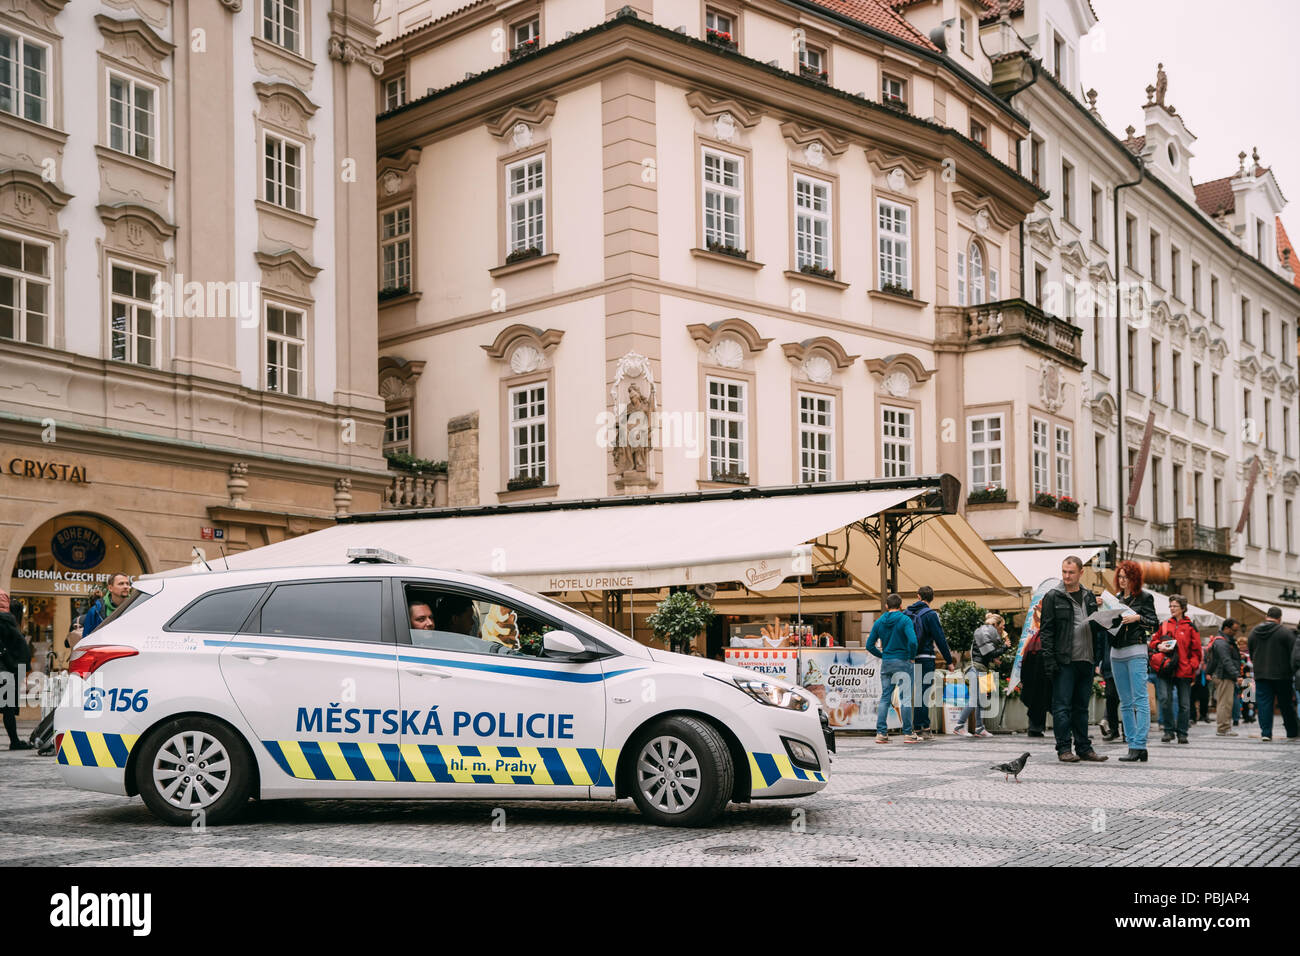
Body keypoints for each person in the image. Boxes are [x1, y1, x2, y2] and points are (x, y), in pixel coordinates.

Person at [1039, 556, 1108, 762]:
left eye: (1071, 572)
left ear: (1080, 573)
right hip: (1064, 660)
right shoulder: (1053, 596)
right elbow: (1046, 631)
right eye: (1064, 572)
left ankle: (1084, 748)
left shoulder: (1088, 596)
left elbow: (1095, 627)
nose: (1067, 576)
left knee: (1081, 707)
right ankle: (1063, 749)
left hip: (1086, 660)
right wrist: (1050, 661)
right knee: (1062, 707)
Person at [1109, 561, 1158, 763]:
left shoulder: (1145, 597)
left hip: (1136, 649)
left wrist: (1137, 618)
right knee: (1126, 702)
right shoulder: (1115, 600)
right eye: (1120, 577)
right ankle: (1132, 745)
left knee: (1140, 699)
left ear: (1134, 578)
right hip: (1116, 652)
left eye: (1126, 577)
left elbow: (1155, 624)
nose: (1122, 581)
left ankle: (1139, 744)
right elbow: (1109, 626)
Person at [866, 593, 919, 744]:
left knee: (885, 698)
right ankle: (908, 733)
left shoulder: (879, 622)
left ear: (886, 606)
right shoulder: (905, 619)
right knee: (906, 698)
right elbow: (913, 641)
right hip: (903, 661)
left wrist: (882, 655)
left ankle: (881, 733)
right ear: (901, 605)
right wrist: (911, 656)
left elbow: (869, 645)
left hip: (887, 663)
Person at [1150, 596, 1201, 744]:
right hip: (1165, 669)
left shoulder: (1190, 627)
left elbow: (1197, 651)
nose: (1172, 609)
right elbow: (1153, 642)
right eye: (1170, 606)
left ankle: (1182, 733)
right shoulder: (1164, 624)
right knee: (1165, 700)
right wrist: (1159, 645)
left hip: (1184, 670)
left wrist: (1192, 665)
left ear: (1183, 608)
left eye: (1175, 606)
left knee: (1184, 704)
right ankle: (1168, 731)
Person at [906, 585, 954, 740]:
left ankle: (914, 726)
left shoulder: (907, 613)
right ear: (932, 598)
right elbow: (940, 638)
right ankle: (923, 727)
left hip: (910, 657)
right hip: (926, 657)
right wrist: (949, 660)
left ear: (918, 596)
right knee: (923, 692)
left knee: (913, 692)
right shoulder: (931, 615)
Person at [1246, 607, 1299, 742]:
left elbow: (1251, 652)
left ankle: (1266, 733)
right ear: (1279, 618)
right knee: (1285, 704)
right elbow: (1293, 654)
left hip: (1261, 673)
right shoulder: (1285, 633)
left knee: (1264, 704)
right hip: (1282, 674)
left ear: (1266, 616)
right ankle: (1292, 732)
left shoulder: (1253, 632)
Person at [954, 613, 1008, 737]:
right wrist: (1005, 647)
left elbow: (986, 653)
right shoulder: (984, 633)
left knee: (981, 700)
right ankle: (959, 726)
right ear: (996, 625)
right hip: (975, 669)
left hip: (982, 669)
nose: (1003, 629)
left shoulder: (987, 634)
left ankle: (979, 728)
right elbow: (989, 653)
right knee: (974, 700)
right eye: (1002, 626)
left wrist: (995, 658)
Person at [0, 590, 32, 751]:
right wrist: (14, 665)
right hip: (5, 670)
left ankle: (15, 741)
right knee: (8, 709)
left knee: (8, 708)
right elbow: (15, 645)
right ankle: (14, 741)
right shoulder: (5, 619)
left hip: (6, 668)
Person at [1205, 618, 1243, 737]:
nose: (1235, 633)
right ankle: (1223, 728)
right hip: (1224, 676)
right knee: (1224, 703)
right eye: (1234, 630)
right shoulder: (1222, 642)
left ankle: (1224, 727)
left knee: (1226, 702)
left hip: (1224, 675)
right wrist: (1237, 675)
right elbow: (1226, 660)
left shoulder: (1223, 641)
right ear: (1226, 628)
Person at [1020, 602, 1051, 737]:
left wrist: (1023, 679)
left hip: (1034, 680)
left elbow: (1025, 659)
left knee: (1036, 703)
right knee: (1050, 701)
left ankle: (1035, 728)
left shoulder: (1034, 639)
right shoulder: (1043, 638)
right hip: (1044, 677)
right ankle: (1036, 728)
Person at [81, 573, 131, 637]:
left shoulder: (136, 607)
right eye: (121, 584)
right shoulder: (95, 611)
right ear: (110, 588)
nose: (126, 586)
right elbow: (86, 638)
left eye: (127, 584)